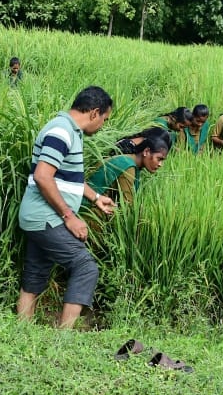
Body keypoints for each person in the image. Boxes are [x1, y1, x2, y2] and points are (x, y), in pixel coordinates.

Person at [15, 86, 116, 329]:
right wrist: (69, 216)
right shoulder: (61, 131)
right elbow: (43, 176)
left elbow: (66, 177)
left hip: (40, 218)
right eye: (104, 119)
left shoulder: (71, 131)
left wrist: (95, 198)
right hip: (45, 217)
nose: (103, 125)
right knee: (85, 267)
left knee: (36, 272)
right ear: (94, 113)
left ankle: (21, 332)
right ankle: (64, 338)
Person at [88, 129, 169, 206]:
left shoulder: (129, 160)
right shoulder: (128, 167)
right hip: (90, 211)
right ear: (146, 152)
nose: (160, 164)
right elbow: (127, 206)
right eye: (159, 159)